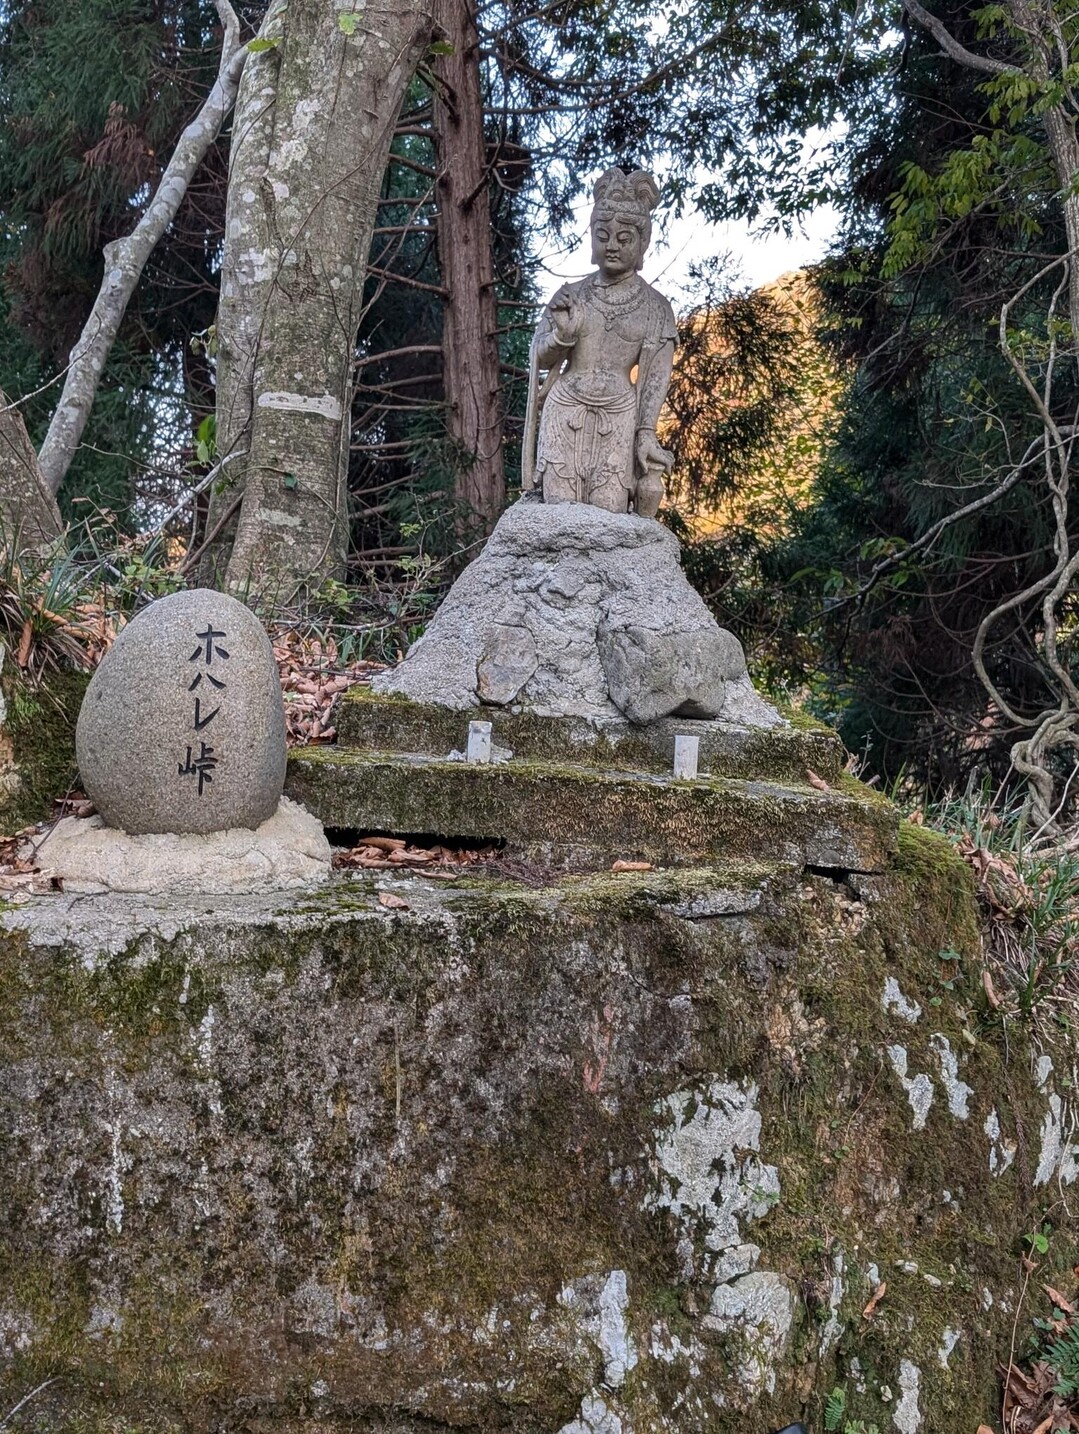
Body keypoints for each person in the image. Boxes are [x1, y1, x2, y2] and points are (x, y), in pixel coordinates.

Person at [523, 168, 677, 517]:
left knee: (609, 511)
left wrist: (646, 432)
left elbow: (655, 378)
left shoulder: (655, 308)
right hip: (564, 409)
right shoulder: (571, 297)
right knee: (557, 512)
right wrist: (563, 335)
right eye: (603, 235)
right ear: (591, 236)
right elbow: (540, 358)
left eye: (624, 239)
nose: (612, 245)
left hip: (620, 414)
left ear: (642, 245)